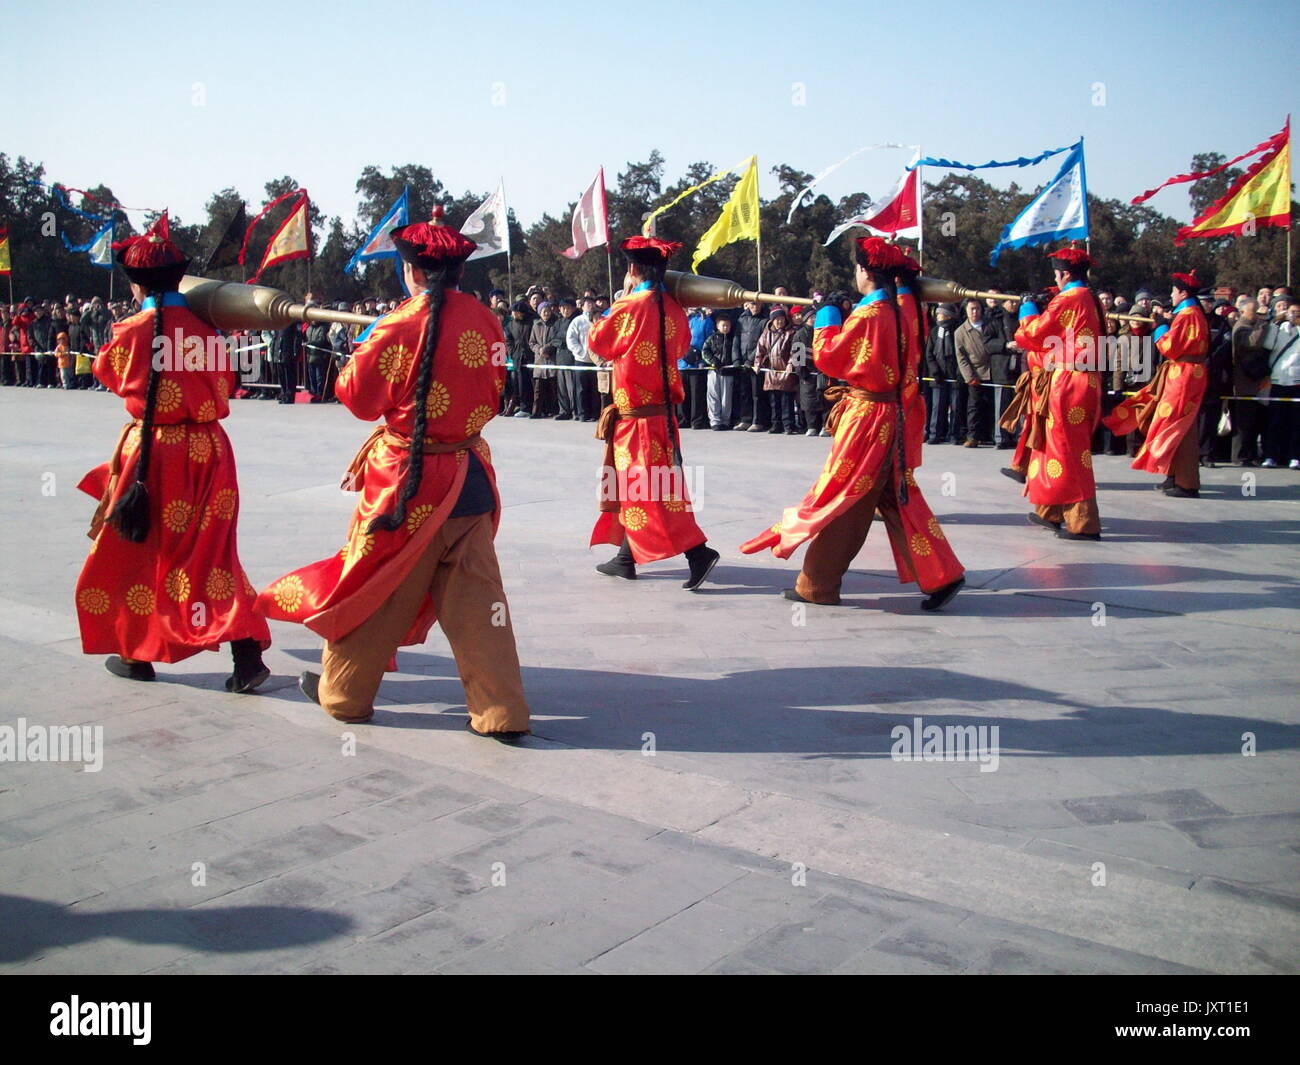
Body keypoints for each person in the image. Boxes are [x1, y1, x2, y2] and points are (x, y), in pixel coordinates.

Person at [258, 209, 530, 740]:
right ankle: (501, 712)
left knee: (377, 586)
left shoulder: (399, 323)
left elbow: (355, 397)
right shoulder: (486, 319)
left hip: (406, 483)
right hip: (468, 473)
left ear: (411, 272)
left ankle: (345, 695)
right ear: (457, 272)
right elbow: (498, 388)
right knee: (480, 603)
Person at [73, 213, 271, 691]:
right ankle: (245, 654)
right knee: (212, 556)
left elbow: (108, 373)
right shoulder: (208, 332)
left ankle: (135, 652)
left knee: (131, 549)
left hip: (153, 453)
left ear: (137, 285)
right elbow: (228, 383)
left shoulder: (130, 331)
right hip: (208, 450)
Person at [740, 237, 964, 610]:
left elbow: (828, 357)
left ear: (865, 271)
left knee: (844, 498)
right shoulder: (904, 310)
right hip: (891, 416)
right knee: (899, 498)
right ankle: (941, 573)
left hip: (866, 419)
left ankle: (818, 584)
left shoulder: (869, 315)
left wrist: (827, 314)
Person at [587, 236, 720, 590]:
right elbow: (682, 346)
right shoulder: (674, 308)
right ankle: (625, 559)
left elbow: (598, 341)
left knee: (649, 492)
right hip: (664, 417)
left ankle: (698, 552)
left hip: (637, 421)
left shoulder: (628, 308)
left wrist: (620, 299)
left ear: (633, 269)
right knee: (651, 487)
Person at [1013, 247, 1104, 539]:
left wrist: (1027, 313)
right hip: (1084, 379)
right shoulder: (1091, 298)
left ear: (1064, 274)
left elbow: (1038, 334)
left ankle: (1083, 522)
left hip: (1069, 381)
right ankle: (1050, 510)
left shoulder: (1069, 298)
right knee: (1059, 446)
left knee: (1069, 450)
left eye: (1056, 274)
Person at [1105, 271, 1212, 497]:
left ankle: (1186, 482)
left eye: (1173, 291)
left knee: (1177, 426)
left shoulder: (1189, 315)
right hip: (1182, 373)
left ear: (1182, 292)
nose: (1171, 295)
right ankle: (1173, 474)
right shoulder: (1189, 313)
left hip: (1184, 376)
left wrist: (1161, 328)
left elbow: (1170, 347)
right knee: (1173, 424)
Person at [1227, 299, 1271, 465]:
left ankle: (1249, 453)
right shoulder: (1241, 327)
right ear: (1244, 312)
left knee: (1252, 420)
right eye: (1255, 311)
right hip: (1243, 382)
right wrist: (1262, 325)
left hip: (1254, 381)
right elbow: (1252, 342)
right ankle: (1240, 456)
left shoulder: (1251, 325)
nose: (1258, 315)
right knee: (1243, 422)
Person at [954, 299, 999, 448]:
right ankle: (972, 436)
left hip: (993, 370)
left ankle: (990, 435)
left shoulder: (990, 325)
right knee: (974, 406)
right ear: (966, 311)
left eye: (978, 309)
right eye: (972, 309)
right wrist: (970, 376)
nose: (975, 312)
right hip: (975, 373)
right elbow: (961, 357)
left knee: (992, 405)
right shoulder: (960, 332)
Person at [1264, 302, 1300, 468]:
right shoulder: (1278, 328)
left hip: (1296, 381)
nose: (1294, 315)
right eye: (1292, 311)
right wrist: (1275, 323)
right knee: (1274, 421)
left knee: (1295, 422)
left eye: (1297, 312)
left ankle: (1294, 455)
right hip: (1277, 379)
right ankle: (1271, 455)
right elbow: (1268, 345)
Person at [754, 307, 799, 433]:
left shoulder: (791, 333)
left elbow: (796, 350)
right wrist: (757, 363)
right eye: (777, 319)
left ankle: (789, 425)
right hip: (771, 370)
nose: (780, 321)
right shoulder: (766, 334)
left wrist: (791, 363)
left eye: (782, 319)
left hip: (785, 370)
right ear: (772, 320)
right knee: (774, 400)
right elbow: (760, 350)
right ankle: (776, 424)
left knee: (787, 400)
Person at [925, 304, 961, 445]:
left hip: (954, 375)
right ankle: (935, 433)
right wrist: (935, 372)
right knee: (937, 406)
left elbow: (960, 353)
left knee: (955, 406)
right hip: (938, 376)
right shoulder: (934, 332)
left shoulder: (956, 331)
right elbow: (929, 355)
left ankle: (954, 434)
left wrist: (959, 373)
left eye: (941, 314)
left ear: (948, 315)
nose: (938, 316)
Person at [701, 313, 741, 430]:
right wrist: (713, 361)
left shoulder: (733, 338)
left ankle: (725, 421)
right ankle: (715, 421)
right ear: (718, 326)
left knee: (726, 397)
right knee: (713, 396)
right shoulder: (712, 338)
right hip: (714, 371)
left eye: (727, 325)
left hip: (728, 372)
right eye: (723, 325)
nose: (725, 328)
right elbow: (705, 351)